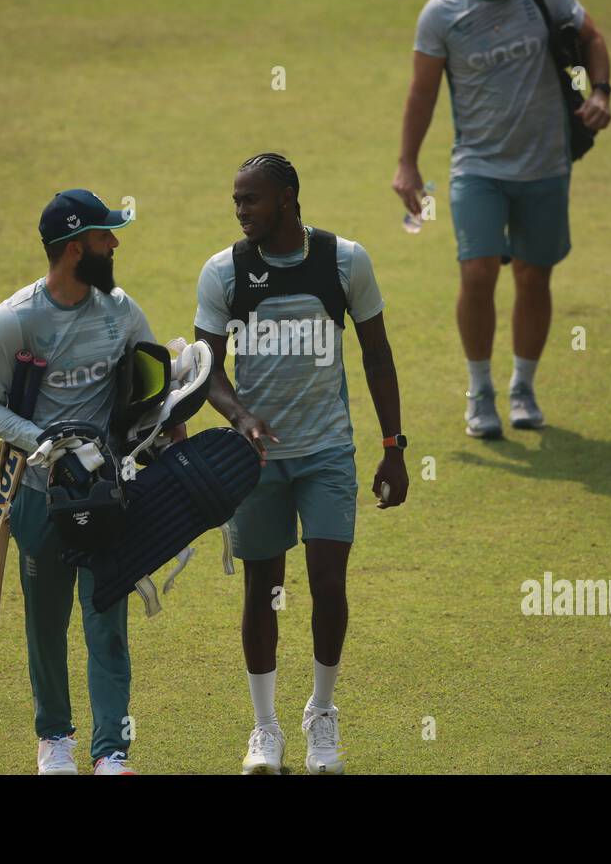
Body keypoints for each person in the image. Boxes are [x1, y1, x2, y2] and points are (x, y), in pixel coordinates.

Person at [194, 153, 408, 774]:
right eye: (236, 200)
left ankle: (322, 713)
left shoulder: (344, 262)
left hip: (326, 453)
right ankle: (265, 730)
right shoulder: (225, 272)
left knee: (329, 583)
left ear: (287, 197)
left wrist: (394, 449)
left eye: (251, 199)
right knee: (264, 587)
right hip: (254, 460)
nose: (240, 211)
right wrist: (242, 418)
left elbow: (378, 357)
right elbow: (206, 370)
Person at [0, 188, 175, 775]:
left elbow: (148, 389)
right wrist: (44, 443)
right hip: (38, 498)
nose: (115, 243)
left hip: (108, 497)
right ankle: (54, 741)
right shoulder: (15, 321)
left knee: (106, 617)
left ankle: (112, 751)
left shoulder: (121, 309)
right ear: (77, 248)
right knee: (46, 620)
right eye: (107, 235)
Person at [393, 0, 611, 438]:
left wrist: (601, 91)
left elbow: (593, 38)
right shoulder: (442, 13)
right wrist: (407, 164)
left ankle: (522, 388)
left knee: (534, 276)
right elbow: (422, 92)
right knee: (477, 273)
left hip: (546, 165)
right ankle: (480, 391)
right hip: (478, 167)